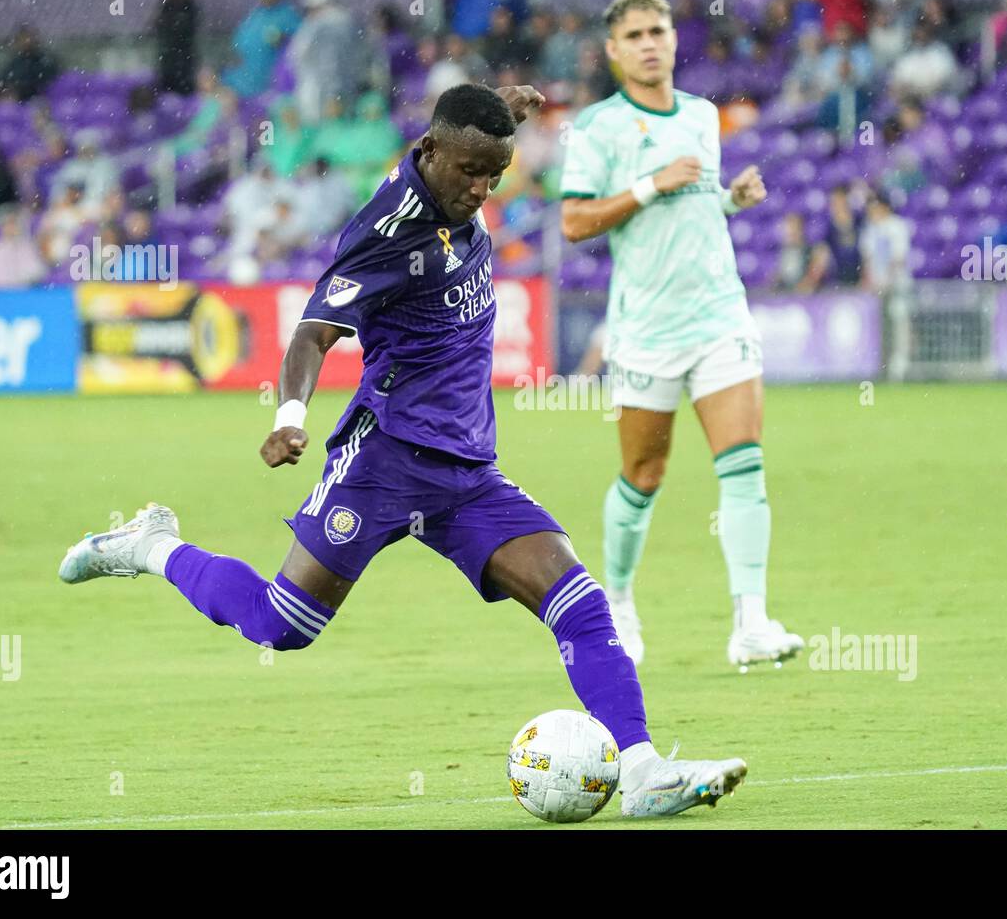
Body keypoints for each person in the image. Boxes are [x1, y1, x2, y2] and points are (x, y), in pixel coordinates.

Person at [58, 83, 747, 818]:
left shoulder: (452, 158)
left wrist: (503, 109)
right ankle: (150, 545)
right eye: (470, 172)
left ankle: (642, 773)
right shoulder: (387, 235)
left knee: (578, 601)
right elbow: (312, 332)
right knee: (280, 625)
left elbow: (467, 128)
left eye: (495, 174)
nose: (481, 190)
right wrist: (289, 416)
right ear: (430, 152)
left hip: (465, 470)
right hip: (384, 460)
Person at [559, 0, 805, 669]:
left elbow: (693, 210)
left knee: (744, 464)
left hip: (720, 315)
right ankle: (618, 604)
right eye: (635, 35)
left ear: (673, 40)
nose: (649, 43)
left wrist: (730, 200)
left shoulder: (700, 114)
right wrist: (650, 184)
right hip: (647, 329)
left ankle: (751, 622)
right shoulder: (599, 128)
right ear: (614, 50)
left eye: (658, 31)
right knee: (643, 474)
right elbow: (574, 222)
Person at [223, 0, 302, 99]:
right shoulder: (257, 14)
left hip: (272, 71)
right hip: (248, 71)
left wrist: (283, 39)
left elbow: (301, 39)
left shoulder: (287, 15)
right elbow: (241, 37)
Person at [152, 0, 199, 95]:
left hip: (185, 57)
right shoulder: (166, 6)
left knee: (185, 89)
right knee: (167, 88)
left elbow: (189, 28)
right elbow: (158, 26)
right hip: (168, 58)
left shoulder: (190, 6)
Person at [0, 25, 60, 103]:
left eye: (29, 38)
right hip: (16, 100)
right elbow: (1, 80)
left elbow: (47, 82)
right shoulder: (14, 62)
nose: (26, 41)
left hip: (38, 100)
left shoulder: (44, 60)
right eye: (22, 39)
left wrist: (20, 89)